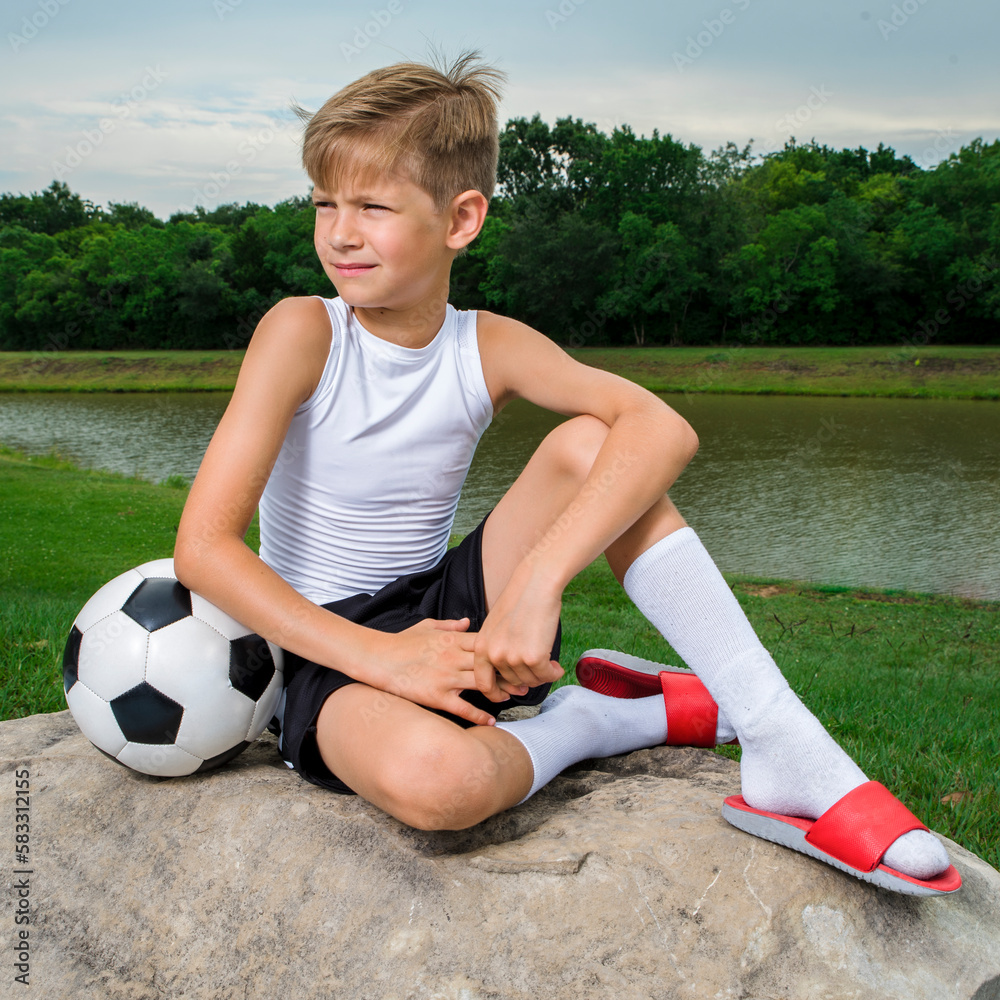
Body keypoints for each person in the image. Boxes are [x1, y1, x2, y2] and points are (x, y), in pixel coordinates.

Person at [174, 53, 958, 895]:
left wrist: (536, 584)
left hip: (452, 602)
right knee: (445, 786)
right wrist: (385, 661)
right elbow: (205, 549)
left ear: (461, 218)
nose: (339, 232)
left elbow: (663, 427)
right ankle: (589, 720)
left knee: (599, 440)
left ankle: (782, 739)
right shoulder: (302, 330)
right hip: (332, 638)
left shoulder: (490, 344)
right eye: (325, 203)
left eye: (372, 205)